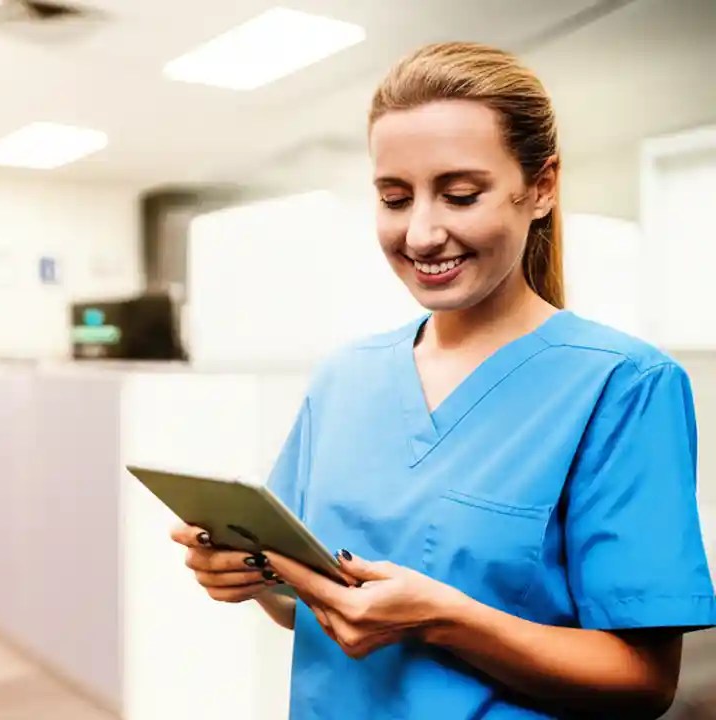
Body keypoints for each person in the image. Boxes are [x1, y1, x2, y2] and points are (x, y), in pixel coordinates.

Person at [172, 41, 716, 719]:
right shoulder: (345, 378)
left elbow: (643, 683)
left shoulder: (623, 386)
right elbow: (314, 611)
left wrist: (445, 620)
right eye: (395, 198)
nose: (423, 233)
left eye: (460, 194)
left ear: (540, 187)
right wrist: (255, 579)